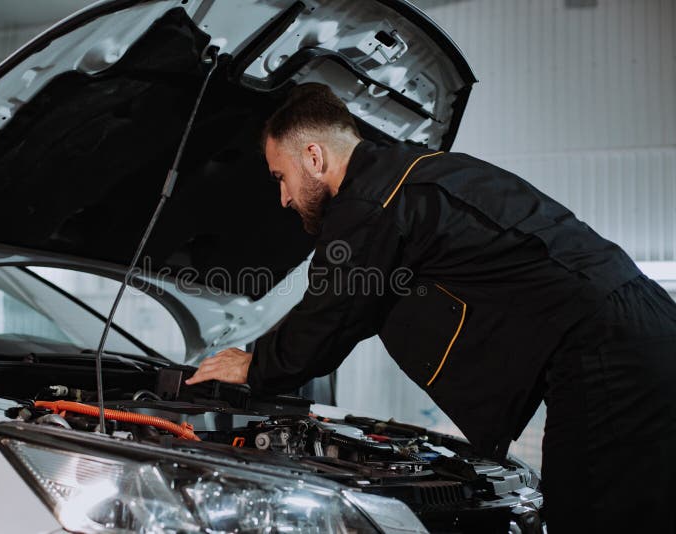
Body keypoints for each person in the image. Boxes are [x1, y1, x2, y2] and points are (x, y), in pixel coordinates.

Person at [185, 83, 676, 532]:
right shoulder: (412, 173)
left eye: (281, 177)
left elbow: (332, 314)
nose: (283, 198)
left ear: (313, 156)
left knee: (591, 516)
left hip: (607, 348)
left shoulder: (370, 203)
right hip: (641, 326)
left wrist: (254, 366)